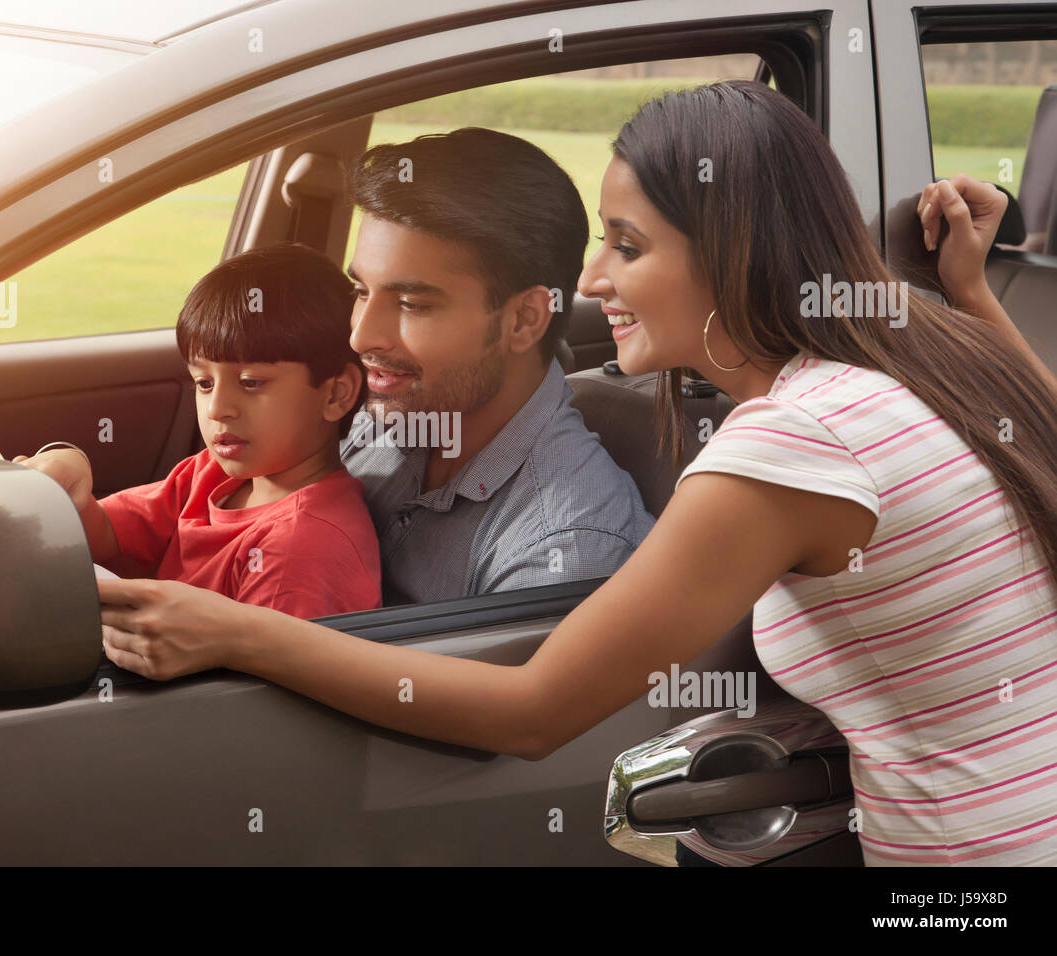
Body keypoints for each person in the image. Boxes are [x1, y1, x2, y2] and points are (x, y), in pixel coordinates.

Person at [98, 82, 1057, 866]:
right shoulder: (918, 353)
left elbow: (531, 710)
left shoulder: (787, 446)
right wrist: (968, 291)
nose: (593, 281)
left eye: (627, 247)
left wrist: (236, 635)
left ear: (731, 257)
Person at [339, 127, 655, 603]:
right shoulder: (399, 408)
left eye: (411, 304)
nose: (361, 336)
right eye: (362, 291)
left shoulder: (563, 550)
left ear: (524, 320)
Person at [17, 242, 381, 620]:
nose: (217, 408)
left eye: (252, 382)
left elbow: (267, 671)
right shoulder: (208, 475)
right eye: (204, 383)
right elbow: (103, 537)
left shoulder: (303, 546)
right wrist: (64, 471)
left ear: (336, 394)